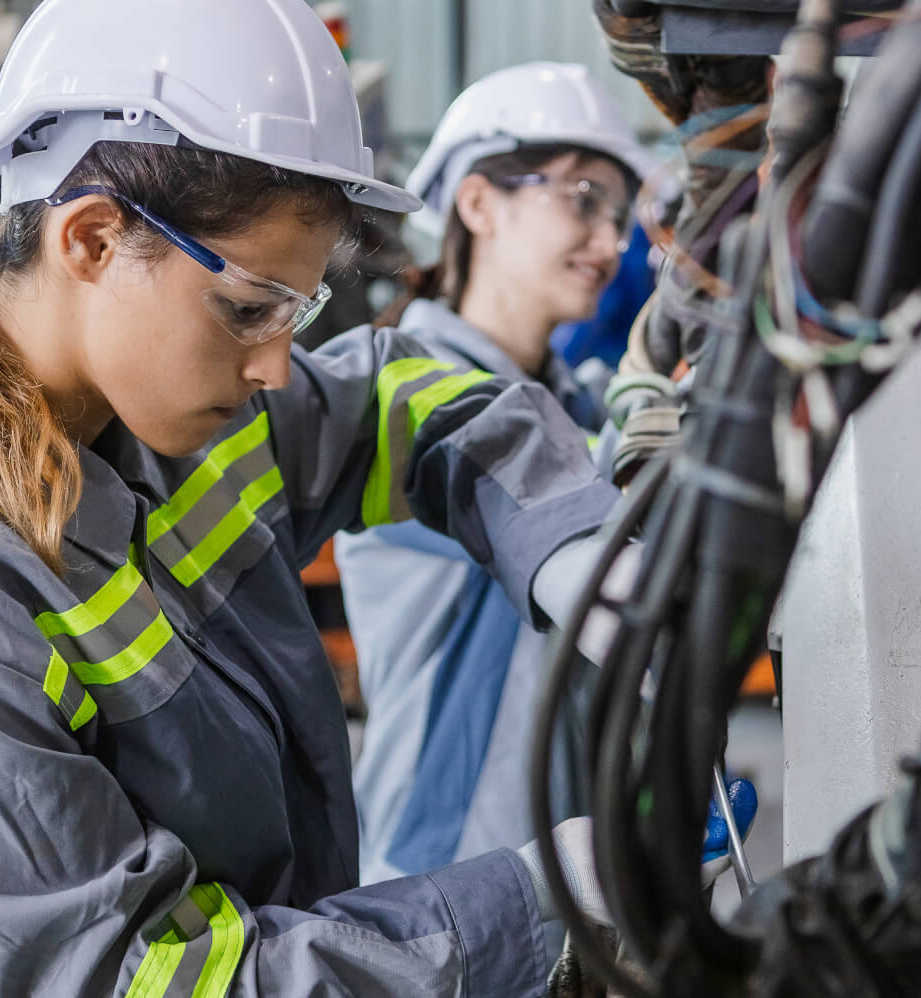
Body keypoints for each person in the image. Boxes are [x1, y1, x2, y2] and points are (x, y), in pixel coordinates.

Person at [0, 2, 646, 994]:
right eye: (251, 307)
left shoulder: (159, 411)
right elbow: (160, 979)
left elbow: (399, 396)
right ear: (89, 238)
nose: (276, 364)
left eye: (296, 312)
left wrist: (576, 544)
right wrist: (536, 898)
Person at [335, 62, 646, 885]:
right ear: (478, 203)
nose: (611, 241)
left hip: (574, 866)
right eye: (583, 197)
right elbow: (544, 504)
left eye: (619, 214)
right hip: (444, 875)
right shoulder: (409, 398)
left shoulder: (577, 407)